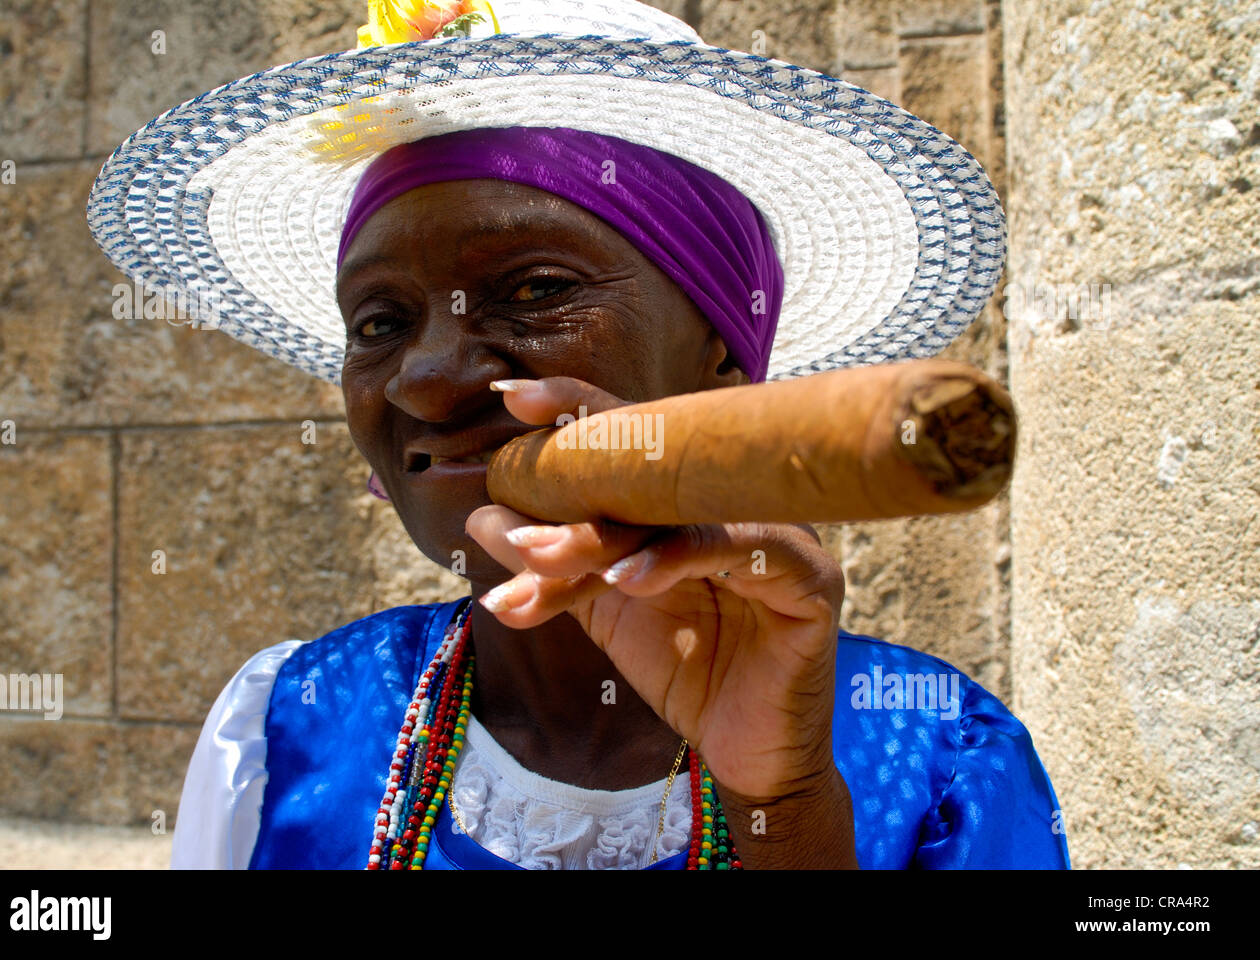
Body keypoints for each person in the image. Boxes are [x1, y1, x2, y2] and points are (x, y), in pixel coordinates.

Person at [87, 0, 1069, 870]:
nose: (426, 380)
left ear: (720, 364)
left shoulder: (942, 755)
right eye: (380, 322)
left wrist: (781, 809)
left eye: (538, 290)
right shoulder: (284, 725)